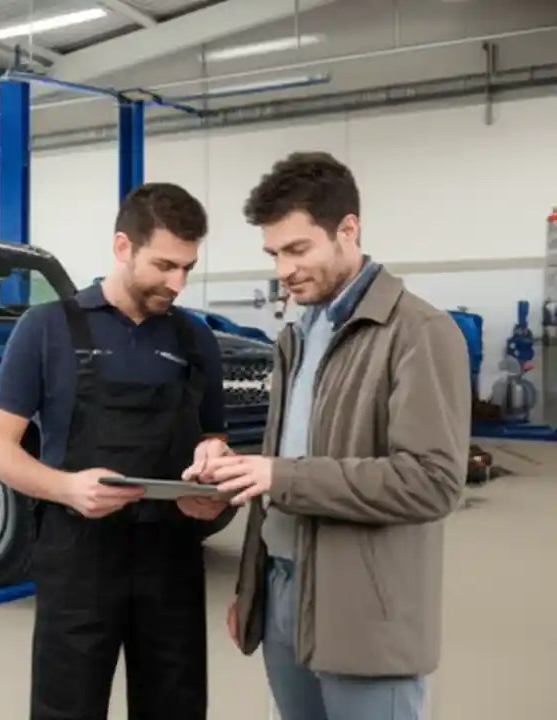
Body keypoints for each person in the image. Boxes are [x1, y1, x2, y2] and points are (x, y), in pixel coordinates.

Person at [199, 152, 470, 720]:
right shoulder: (298, 336)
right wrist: (252, 587)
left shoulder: (420, 332)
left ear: (349, 230)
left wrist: (279, 475)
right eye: (274, 254)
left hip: (366, 611)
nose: (283, 270)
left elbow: (432, 481)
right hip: (282, 592)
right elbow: (289, 459)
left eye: (298, 249)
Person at [0, 182, 235, 720]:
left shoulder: (196, 341)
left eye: (188, 267)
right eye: (165, 265)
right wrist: (68, 488)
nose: (178, 282)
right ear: (123, 247)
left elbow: (212, 438)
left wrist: (212, 480)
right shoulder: (46, 329)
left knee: (176, 707)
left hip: (171, 559)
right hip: (78, 558)